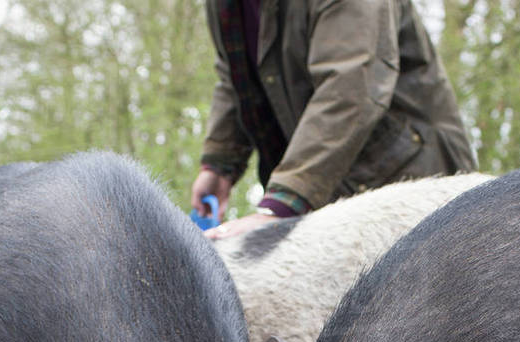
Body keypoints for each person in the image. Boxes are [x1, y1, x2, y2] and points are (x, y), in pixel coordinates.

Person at [191, 0, 476, 239]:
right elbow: (236, 77)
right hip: (327, 186)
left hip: (412, 181)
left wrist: (282, 204)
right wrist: (219, 166)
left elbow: (351, 88)